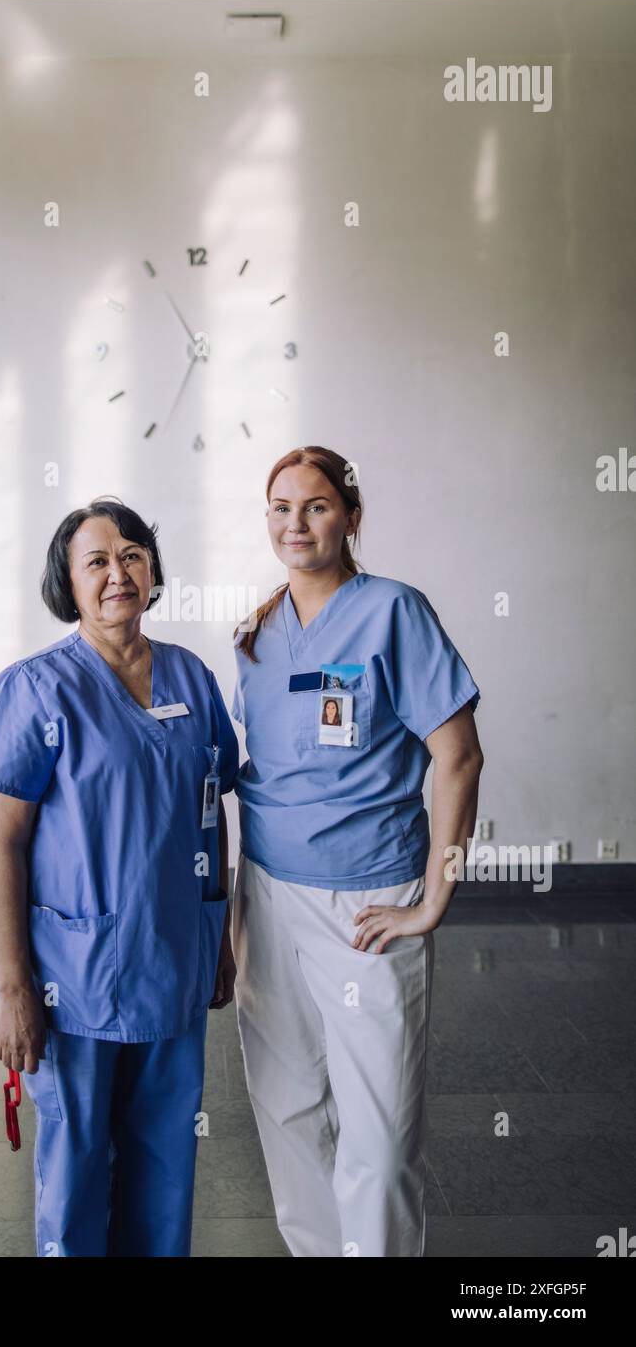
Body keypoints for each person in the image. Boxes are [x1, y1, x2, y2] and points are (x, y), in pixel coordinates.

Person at [0, 497, 239, 1257]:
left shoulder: (191, 674)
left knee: (165, 1163)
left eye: (132, 555)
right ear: (69, 583)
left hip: (175, 961)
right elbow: (4, 847)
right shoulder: (35, 689)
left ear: (152, 571)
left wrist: (218, 931)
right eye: (97, 561)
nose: (118, 573)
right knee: (78, 1165)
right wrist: (15, 989)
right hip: (75, 979)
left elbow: (213, 810)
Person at [230, 446, 483, 1258]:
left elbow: (459, 755)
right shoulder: (257, 634)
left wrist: (434, 897)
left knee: (377, 1133)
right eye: (280, 507)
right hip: (266, 894)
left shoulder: (394, 612)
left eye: (315, 506)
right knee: (289, 1110)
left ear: (351, 516)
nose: (295, 523)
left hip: (367, 902)